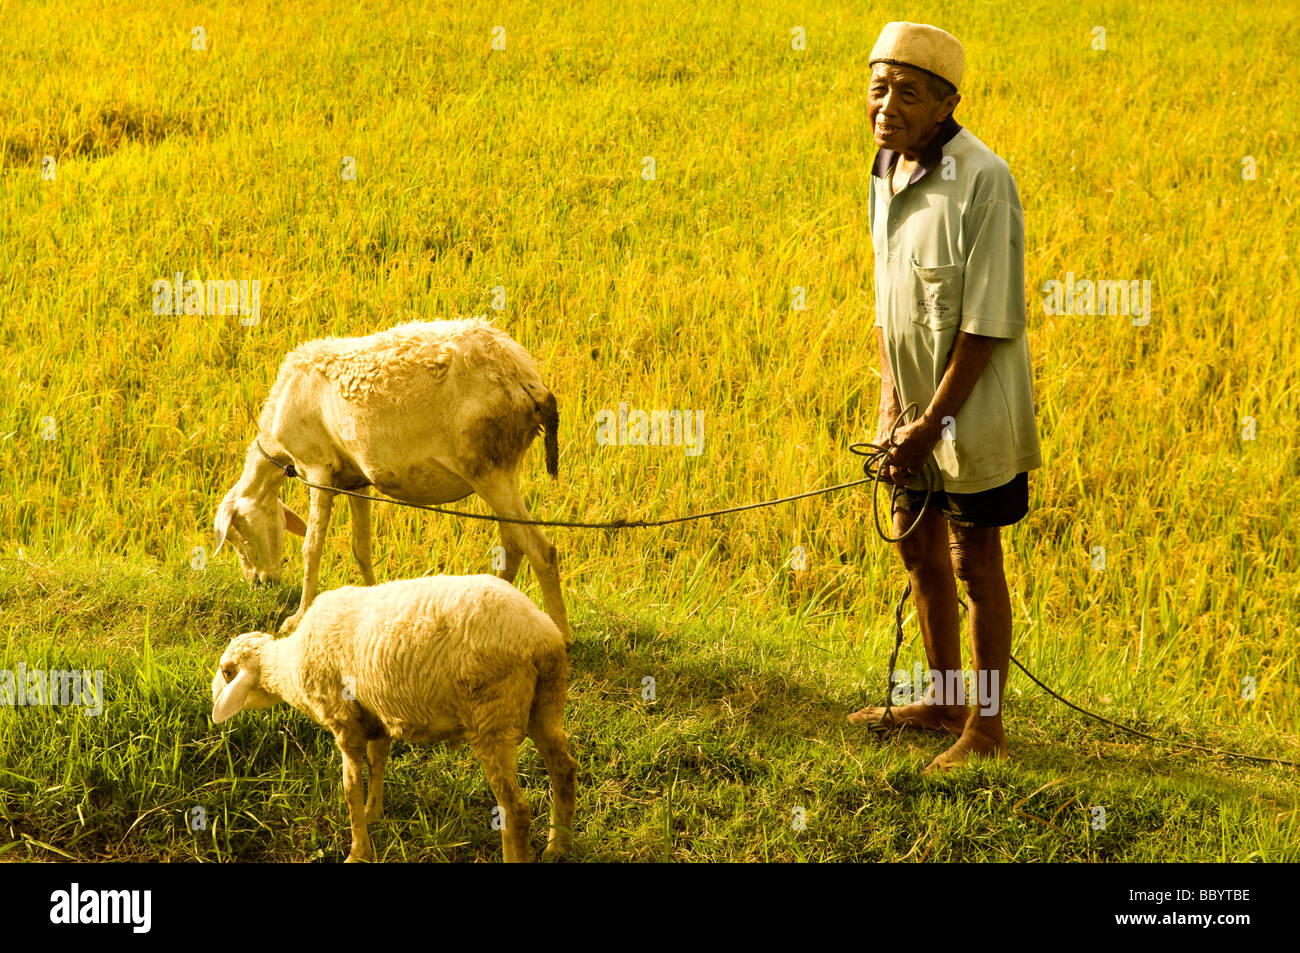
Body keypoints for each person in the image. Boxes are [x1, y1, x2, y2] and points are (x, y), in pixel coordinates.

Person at [847, 22, 1043, 772]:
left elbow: (989, 322)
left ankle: (986, 729)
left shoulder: (985, 179)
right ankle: (943, 699)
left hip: (972, 414)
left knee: (973, 563)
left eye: (907, 92)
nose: (886, 106)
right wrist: (895, 412)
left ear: (946, 103)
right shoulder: (885, 167)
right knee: (914, 545)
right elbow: (889, 301)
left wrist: (932, 423)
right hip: (914, 418)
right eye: (877, 87)